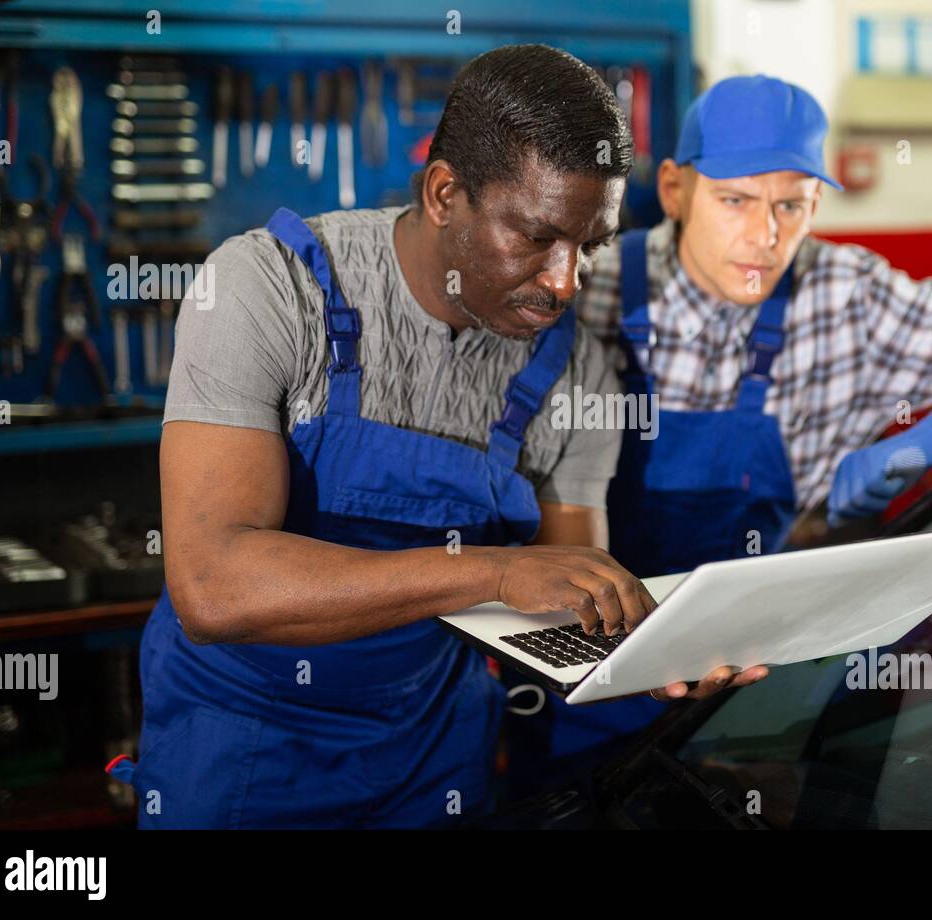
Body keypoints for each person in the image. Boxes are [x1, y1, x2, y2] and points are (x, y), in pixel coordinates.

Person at [110, 45, 762, 829]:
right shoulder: (267, 288)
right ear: (446, 191)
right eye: (537, 238)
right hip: (242, 751)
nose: (566, 283)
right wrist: (493, 572)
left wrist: (660, 658)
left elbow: (563, 597)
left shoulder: (576, 371)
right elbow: (214, 585)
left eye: (589, 245)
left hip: (433, 760)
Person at [580, 74, 932, 577]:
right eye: (734, 201)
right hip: (593, 624)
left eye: (790, 206)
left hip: (754, 632)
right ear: (674, 190)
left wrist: (922, 442)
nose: (765, 235)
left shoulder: (848, 299)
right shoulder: (589, 287)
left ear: (815, 206)